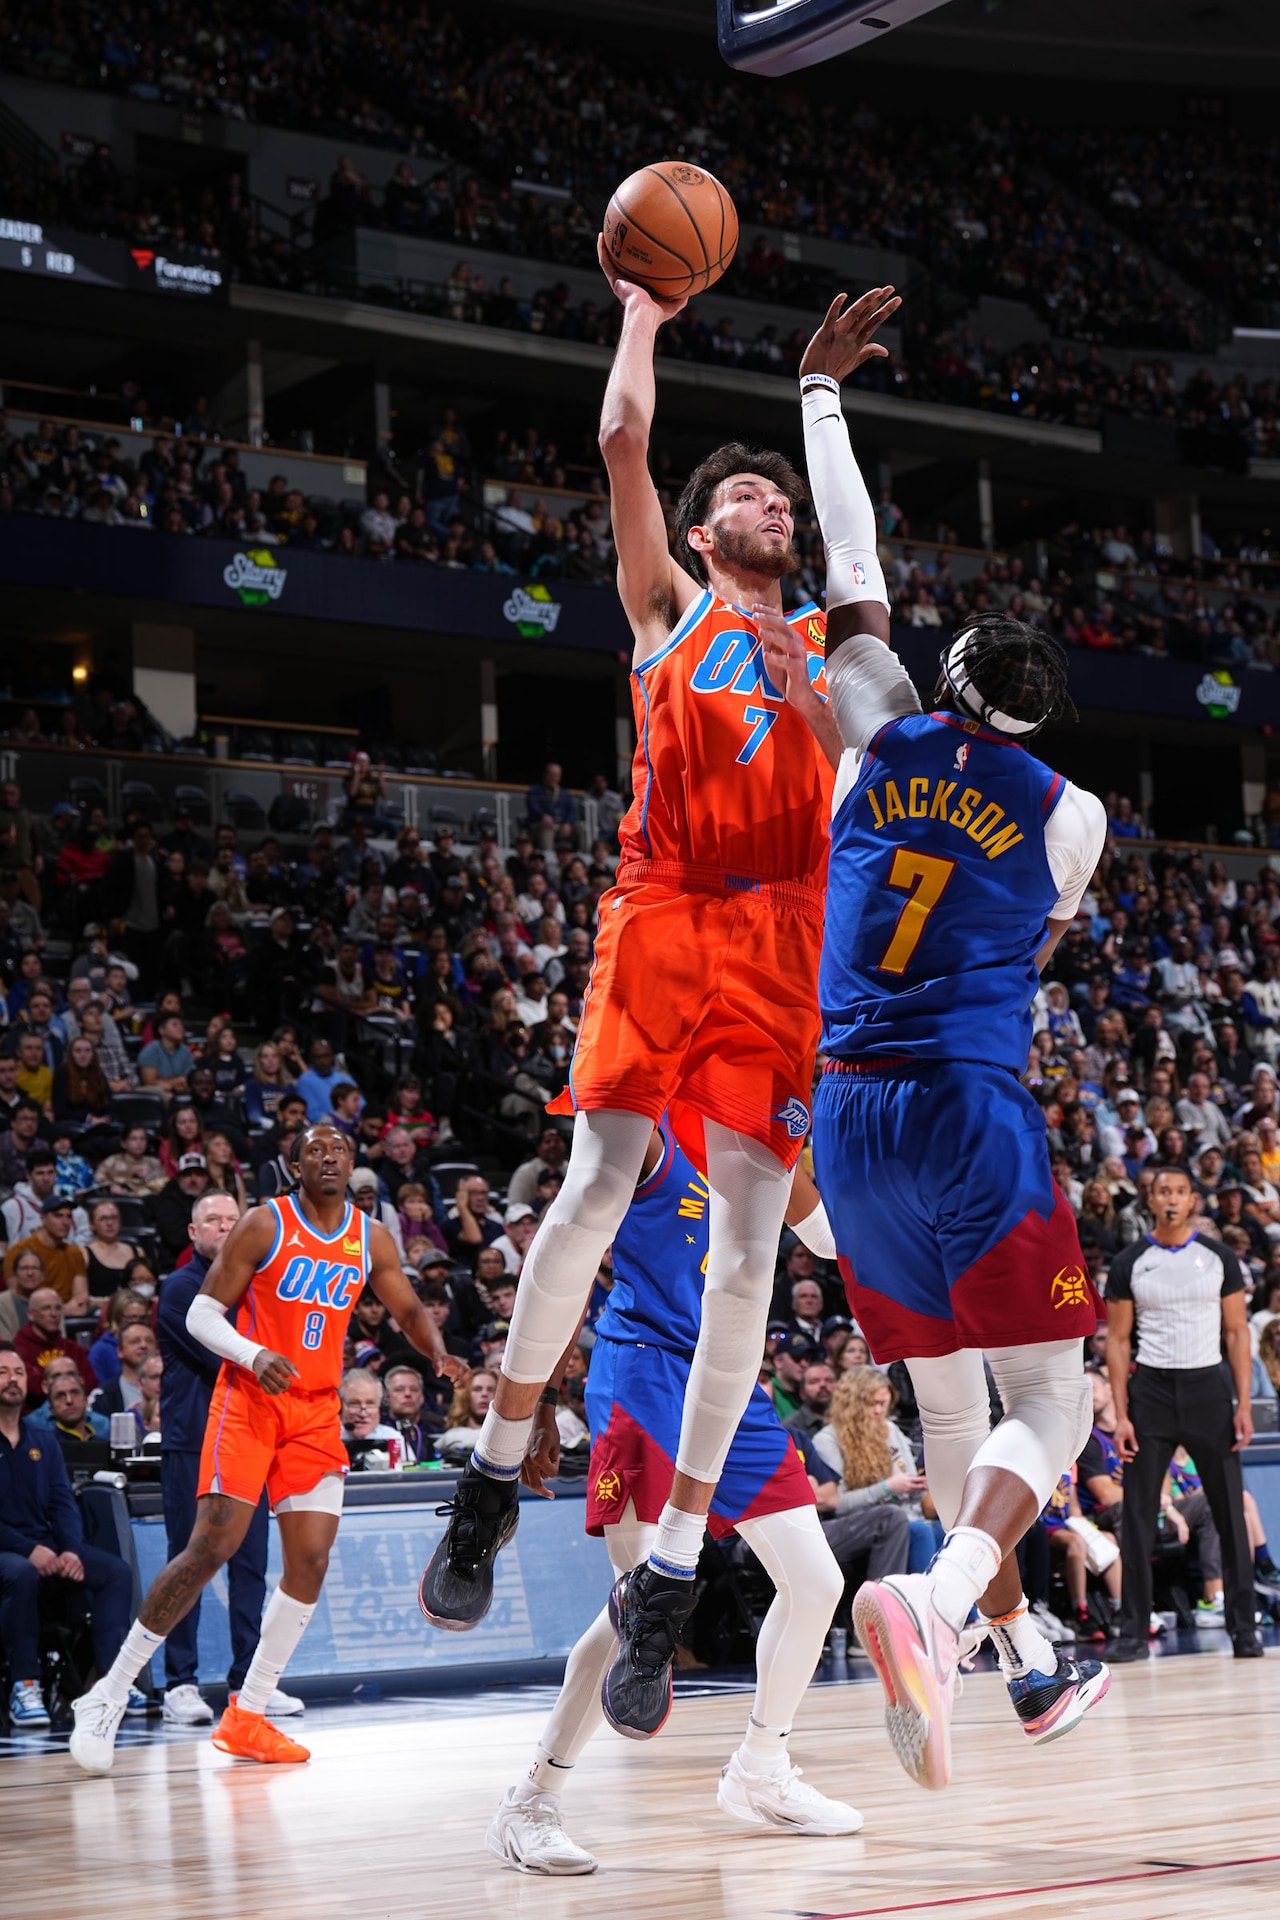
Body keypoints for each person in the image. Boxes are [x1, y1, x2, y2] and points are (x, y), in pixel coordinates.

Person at [420, 238, 853, 1739]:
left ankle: (670, 1573)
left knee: (749, 1259)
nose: (773, 506)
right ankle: (491, 1474)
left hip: (786, 940)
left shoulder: (828, 650)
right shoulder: (670, 605)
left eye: (782, 498)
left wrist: (809, 687)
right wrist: (641, 315)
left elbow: (868, 762)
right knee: (599, 1180)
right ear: (703, 526)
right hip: (668, 905)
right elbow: (619, 436)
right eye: (750, 495)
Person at [768, 290, 1111, 1790]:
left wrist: (819, 393)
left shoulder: (876, 731)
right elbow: (1032, 941)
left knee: (955, 1403)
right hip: (964, 1104)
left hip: (847, 1117)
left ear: (947, 680)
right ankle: (944, 1596)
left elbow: (852, 576)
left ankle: (1010, 1660)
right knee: (1055, 1401)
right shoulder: (1068, 813)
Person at [485, 1123, 856, 1874]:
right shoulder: (647, 1131)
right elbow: (566, 1263)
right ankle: (531, 1800)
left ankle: (760, 1770)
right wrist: (540, 1400)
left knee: (817, 1582)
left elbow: (830, 1241)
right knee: (639, 1603)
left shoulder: (763, 1135)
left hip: (729, 1377)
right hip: (645, 1371)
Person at [69, 1123, 462, 1773]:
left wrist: (439, 1353)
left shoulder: (370, 1237)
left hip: (316, 1410)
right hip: (249, 1399)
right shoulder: (263, 1223)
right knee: (210, 1548)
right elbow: (201, 1314)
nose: (328, 1158)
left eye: (339, 1150)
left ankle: (247, 1715)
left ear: (352, 1164)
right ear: (294, 1167)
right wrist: (253, 1354)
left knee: (310, 1560)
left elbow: (410, 1311)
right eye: (315, 1151)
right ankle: (107, 1694)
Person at [1104, 1165, 1261, 1660]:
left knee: (1230, 1512)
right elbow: (1117, 1341)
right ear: (1150, 1200)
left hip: (1208, 1388)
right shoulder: (1130, 1261)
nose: (1171, 1199)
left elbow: (1237, 1332)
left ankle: (1243, 1628)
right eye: (1163, 1192)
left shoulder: (1217, 1257)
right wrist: (1122, 1415)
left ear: (1192, 1199)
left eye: (1179, 1191)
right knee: (1137, 1515)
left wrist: (1242, 1404)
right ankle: (1132, 1633)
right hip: (1151, 1390)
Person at [0, 1341, 137, 1729]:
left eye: (18, 1372)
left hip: (46, 1546)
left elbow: (63, 1504)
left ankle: (112, 1684)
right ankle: (25, 1684)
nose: (12, 1380)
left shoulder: (42, 1440)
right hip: (10, 1552)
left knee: (115, 1572)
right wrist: (30, 1549)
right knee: (21, 1573)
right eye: (2, 1373)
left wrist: (72, 1550)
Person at [4, 1196, 90, 1312]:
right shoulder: (19, 1251)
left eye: (69, 1216)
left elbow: (80, 1301)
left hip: (68, 1317)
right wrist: (55, 1311)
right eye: (58, 1216)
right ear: (43, 1218)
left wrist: (57, 1312)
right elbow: (17, 1300)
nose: (65, 1222)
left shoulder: (74, 1253)